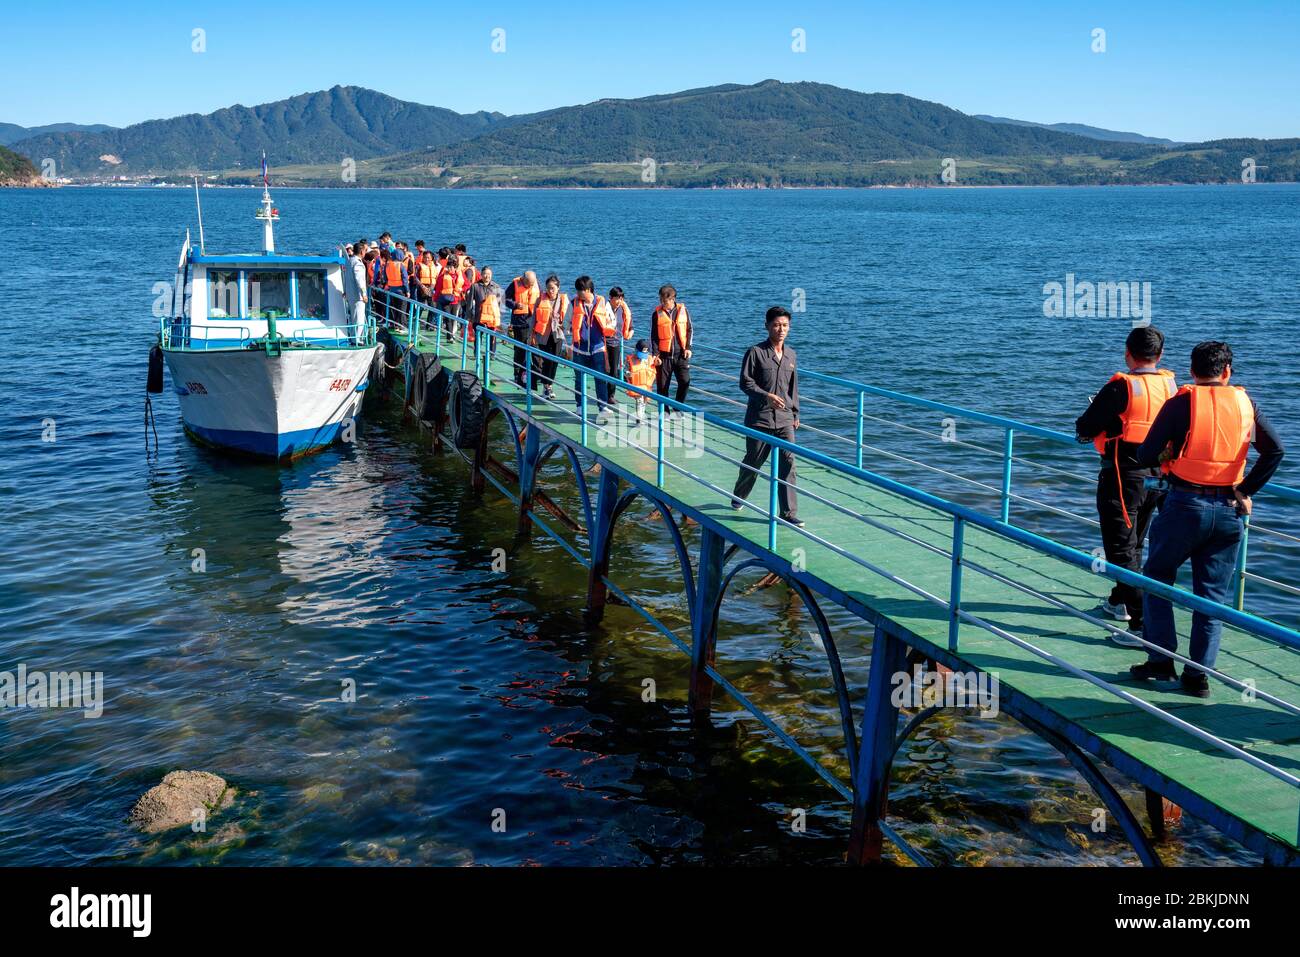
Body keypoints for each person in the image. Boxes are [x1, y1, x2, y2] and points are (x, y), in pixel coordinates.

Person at [1129, 341, 1285, 697]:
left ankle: (1160, 661)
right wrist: (1246, 489)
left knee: (1157, 579)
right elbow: (1275, 450)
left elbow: (1145, 453)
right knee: (1211, 596)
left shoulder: (1181, 403)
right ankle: (1198, 676)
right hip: (1230, 510)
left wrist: (1169, 451)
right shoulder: (1247, 405)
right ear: (1227, 371)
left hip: (1185, 505)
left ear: (1192, 370)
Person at [1075, 326, 1177, 646]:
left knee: (1121, 546)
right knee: (1135, 542)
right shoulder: (1173, 387)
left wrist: (1097, 428)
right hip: (1159, 476)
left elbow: (1085, 425)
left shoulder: (1122, 387)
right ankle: (1121, 600)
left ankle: (1140, 625)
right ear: (1159, 356)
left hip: (1122, 474)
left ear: (1127, 353)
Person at [730, 306, 802, 528]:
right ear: (767, 326)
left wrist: (795, 414)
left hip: (784, 420)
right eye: (777, 325)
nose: (781, 329)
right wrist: (766, 397)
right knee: (753, 462)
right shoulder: (756, 352)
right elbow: (745, 383)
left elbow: (793, 388)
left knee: (788, 464)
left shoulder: (791, 355)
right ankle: (739, 496)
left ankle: (787, 513)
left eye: (785, 325)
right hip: (759, 419)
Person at [567, 275, 617, 423]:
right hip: (579, 348)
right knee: (579, 378)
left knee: (600, 377)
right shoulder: (573, 303)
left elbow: (612, 321)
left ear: (588, 290)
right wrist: (572, 330)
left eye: (580, 290)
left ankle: (603, 407)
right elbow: (566, 322)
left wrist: (607, 327)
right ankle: (580, 406)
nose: (577, 294)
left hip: (598, 347)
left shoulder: (603, 303)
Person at [652, 284, 692, 409]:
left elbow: (689, 330)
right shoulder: (656, 314)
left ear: (672, 299)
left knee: (685, 382)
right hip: (664, 356)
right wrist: (655, 355)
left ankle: (678, 409)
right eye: (660, 300)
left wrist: (688, 348)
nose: (662, 303)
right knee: (662, 386)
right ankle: (665, 412)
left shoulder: (683, 311)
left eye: (664, 300)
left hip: (680, 355)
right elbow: (653, 336)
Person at [531, 275, 567, 401]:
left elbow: (568, 318)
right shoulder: (540, 299)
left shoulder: (563, 300)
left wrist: (566, 327)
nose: (550, 291)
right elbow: (534, 318)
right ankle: (546, 386)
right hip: (543, 334)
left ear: (558, 288)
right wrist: (532, 335)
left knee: (555, 361)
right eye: (548, 288)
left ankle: (549, 384)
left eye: (552, 288)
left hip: (557, 335)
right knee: (546, 360)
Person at [506, 271, 540, 386]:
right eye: (528, 283)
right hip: (519, 323)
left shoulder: (536, 284)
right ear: (523, 279)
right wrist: (515, 304)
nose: (530, 285)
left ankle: (538, 374)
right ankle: (517, 374)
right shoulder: (514, 284)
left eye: (532, 283)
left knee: (536, 349)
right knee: (520, 350)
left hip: (534, 322)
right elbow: (506, 299)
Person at [465, 266, 504, 358]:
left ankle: (491, 354)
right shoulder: (475, 286)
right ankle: (476, 353)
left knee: (492, 337)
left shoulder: (496, 287)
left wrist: (499, 318)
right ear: (481, 275)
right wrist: (469, 317)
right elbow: (470, 303)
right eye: (485, 274)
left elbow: (500, 304)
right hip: (478, 317)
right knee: (478, 337)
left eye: (489, 274)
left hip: (492, 318)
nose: (487, 276)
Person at [625, 338, 660, 422]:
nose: (642, 357)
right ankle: (639, 418)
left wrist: (658, 362)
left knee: (644, 401)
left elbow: (656, 364)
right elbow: (626, 371)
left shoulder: (649, 359)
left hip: (646, 386)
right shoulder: (630, 360)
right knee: (639, 401)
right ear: (635, 350)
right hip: (637, 385)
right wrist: (628, 374)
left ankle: (641, 414)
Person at [606, 286, 635, 386]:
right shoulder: (603, 308)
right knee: (603, 369)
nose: (619, 301)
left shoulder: (623, 310)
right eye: (617, 298)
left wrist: (630, 331)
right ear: (610, 297)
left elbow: (630, 324)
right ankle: (602, 394)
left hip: (616, 342)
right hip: (603, 342)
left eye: (621, 298)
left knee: (614, 370)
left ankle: (611, 395)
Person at [344, 239, 369, 342]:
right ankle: (357, 340)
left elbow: (345, 277)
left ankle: (354, 337)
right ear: (362, 251)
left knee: (353, 317)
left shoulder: (349, 261)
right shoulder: (358, 263)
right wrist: (364, 294)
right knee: (359, 318)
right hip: (357, 296)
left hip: (350, 294)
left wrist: (346, 290)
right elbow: (360, 280)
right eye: (365, 251)